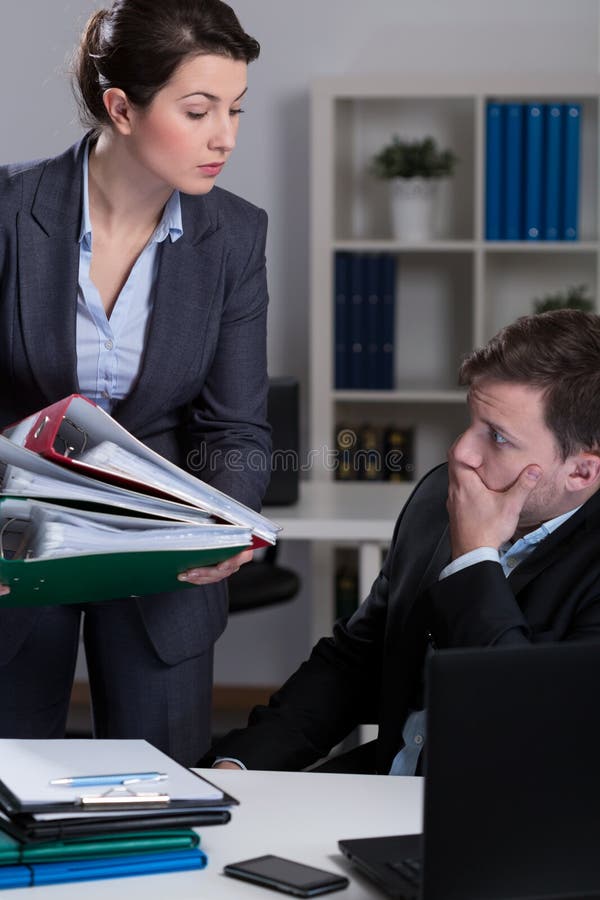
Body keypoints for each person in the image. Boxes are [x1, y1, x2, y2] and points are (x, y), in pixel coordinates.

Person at [0, 0, 271, 766]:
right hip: (13, 547)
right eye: (198, 110)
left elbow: (237, 428)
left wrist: (224, 523)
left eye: (235, 109)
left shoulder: (235, 235)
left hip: (162, 557)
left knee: (160, 798)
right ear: (122, 107)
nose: (225, 136)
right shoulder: (9, 212)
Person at [206, 309, 600, 774]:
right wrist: (241, 764)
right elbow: (356, 662)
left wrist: (474, 561)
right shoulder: (440, 497)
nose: (460, 452)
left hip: (498, 811)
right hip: (394, 774)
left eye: (497, 437)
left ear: (582, 471)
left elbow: (520, 734)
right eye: (471, 421)